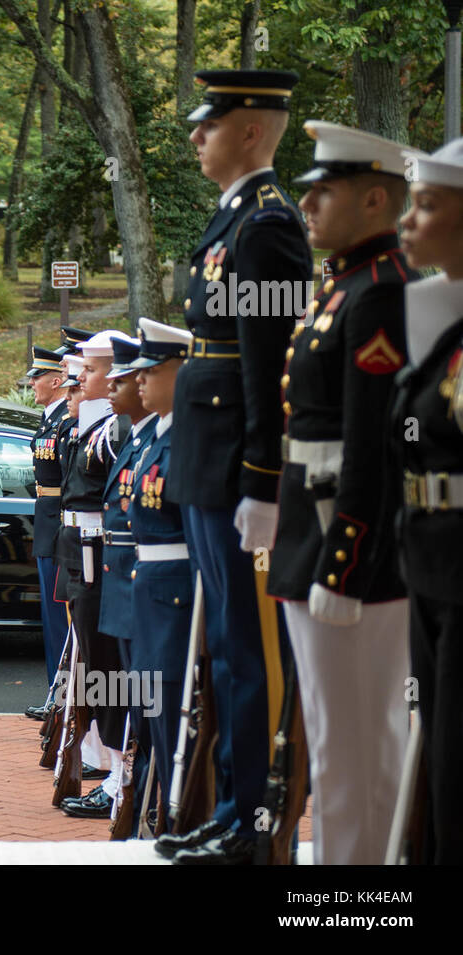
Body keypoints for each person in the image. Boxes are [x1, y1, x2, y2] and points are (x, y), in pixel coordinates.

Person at [160, 70, 311, 865]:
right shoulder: (231, 221)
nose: (196, 136)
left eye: (208, 124)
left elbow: (270, 363)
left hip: (235, 469)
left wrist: (264, 479)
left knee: (251, 651)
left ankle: (255, 822)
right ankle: (228, 808)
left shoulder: (268, 227)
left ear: (251, 131)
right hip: (205, 461)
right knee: (226, 644)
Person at [264, 121, 417, 865]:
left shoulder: (385, 292)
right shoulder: (348, 286)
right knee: (333, 748)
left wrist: (345, 564)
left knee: (362, 752)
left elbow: (374, 447)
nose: (310, 206)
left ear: (376, 198)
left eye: (325, 192)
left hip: (346, 548)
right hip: (312, 535)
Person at [393, 137, 463, 864]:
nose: (409, 222)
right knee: (439, 773)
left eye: (430, 205)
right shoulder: (438, 323)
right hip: (431, 569)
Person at [55, 330, 132, 819]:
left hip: (102, 555)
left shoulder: (119, 430)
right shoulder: (96, 424)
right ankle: (111, 766)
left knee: (113, 668)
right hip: (79, 548)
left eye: (93, 368)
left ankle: (121, 775)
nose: (81, 376)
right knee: (99, 666)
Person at [126, 318, 195, 825]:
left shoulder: (185, 442)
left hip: (175, 595)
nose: (140, 379)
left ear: (179, 371)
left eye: (151, 370)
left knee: (174, 715)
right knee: (155, 711)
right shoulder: (155, 438)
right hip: (150, 592)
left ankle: (180, 819)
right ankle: (167, 820)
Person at [24, 344, 71, 720]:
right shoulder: (49, 421)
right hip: (47, 518)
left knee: (61, 618)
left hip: (58, 522)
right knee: (51, 618)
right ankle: (56, 693)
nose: (32, 383)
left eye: (37, 377)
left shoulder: (65, 424)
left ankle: (62, 695)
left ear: (57, 381)